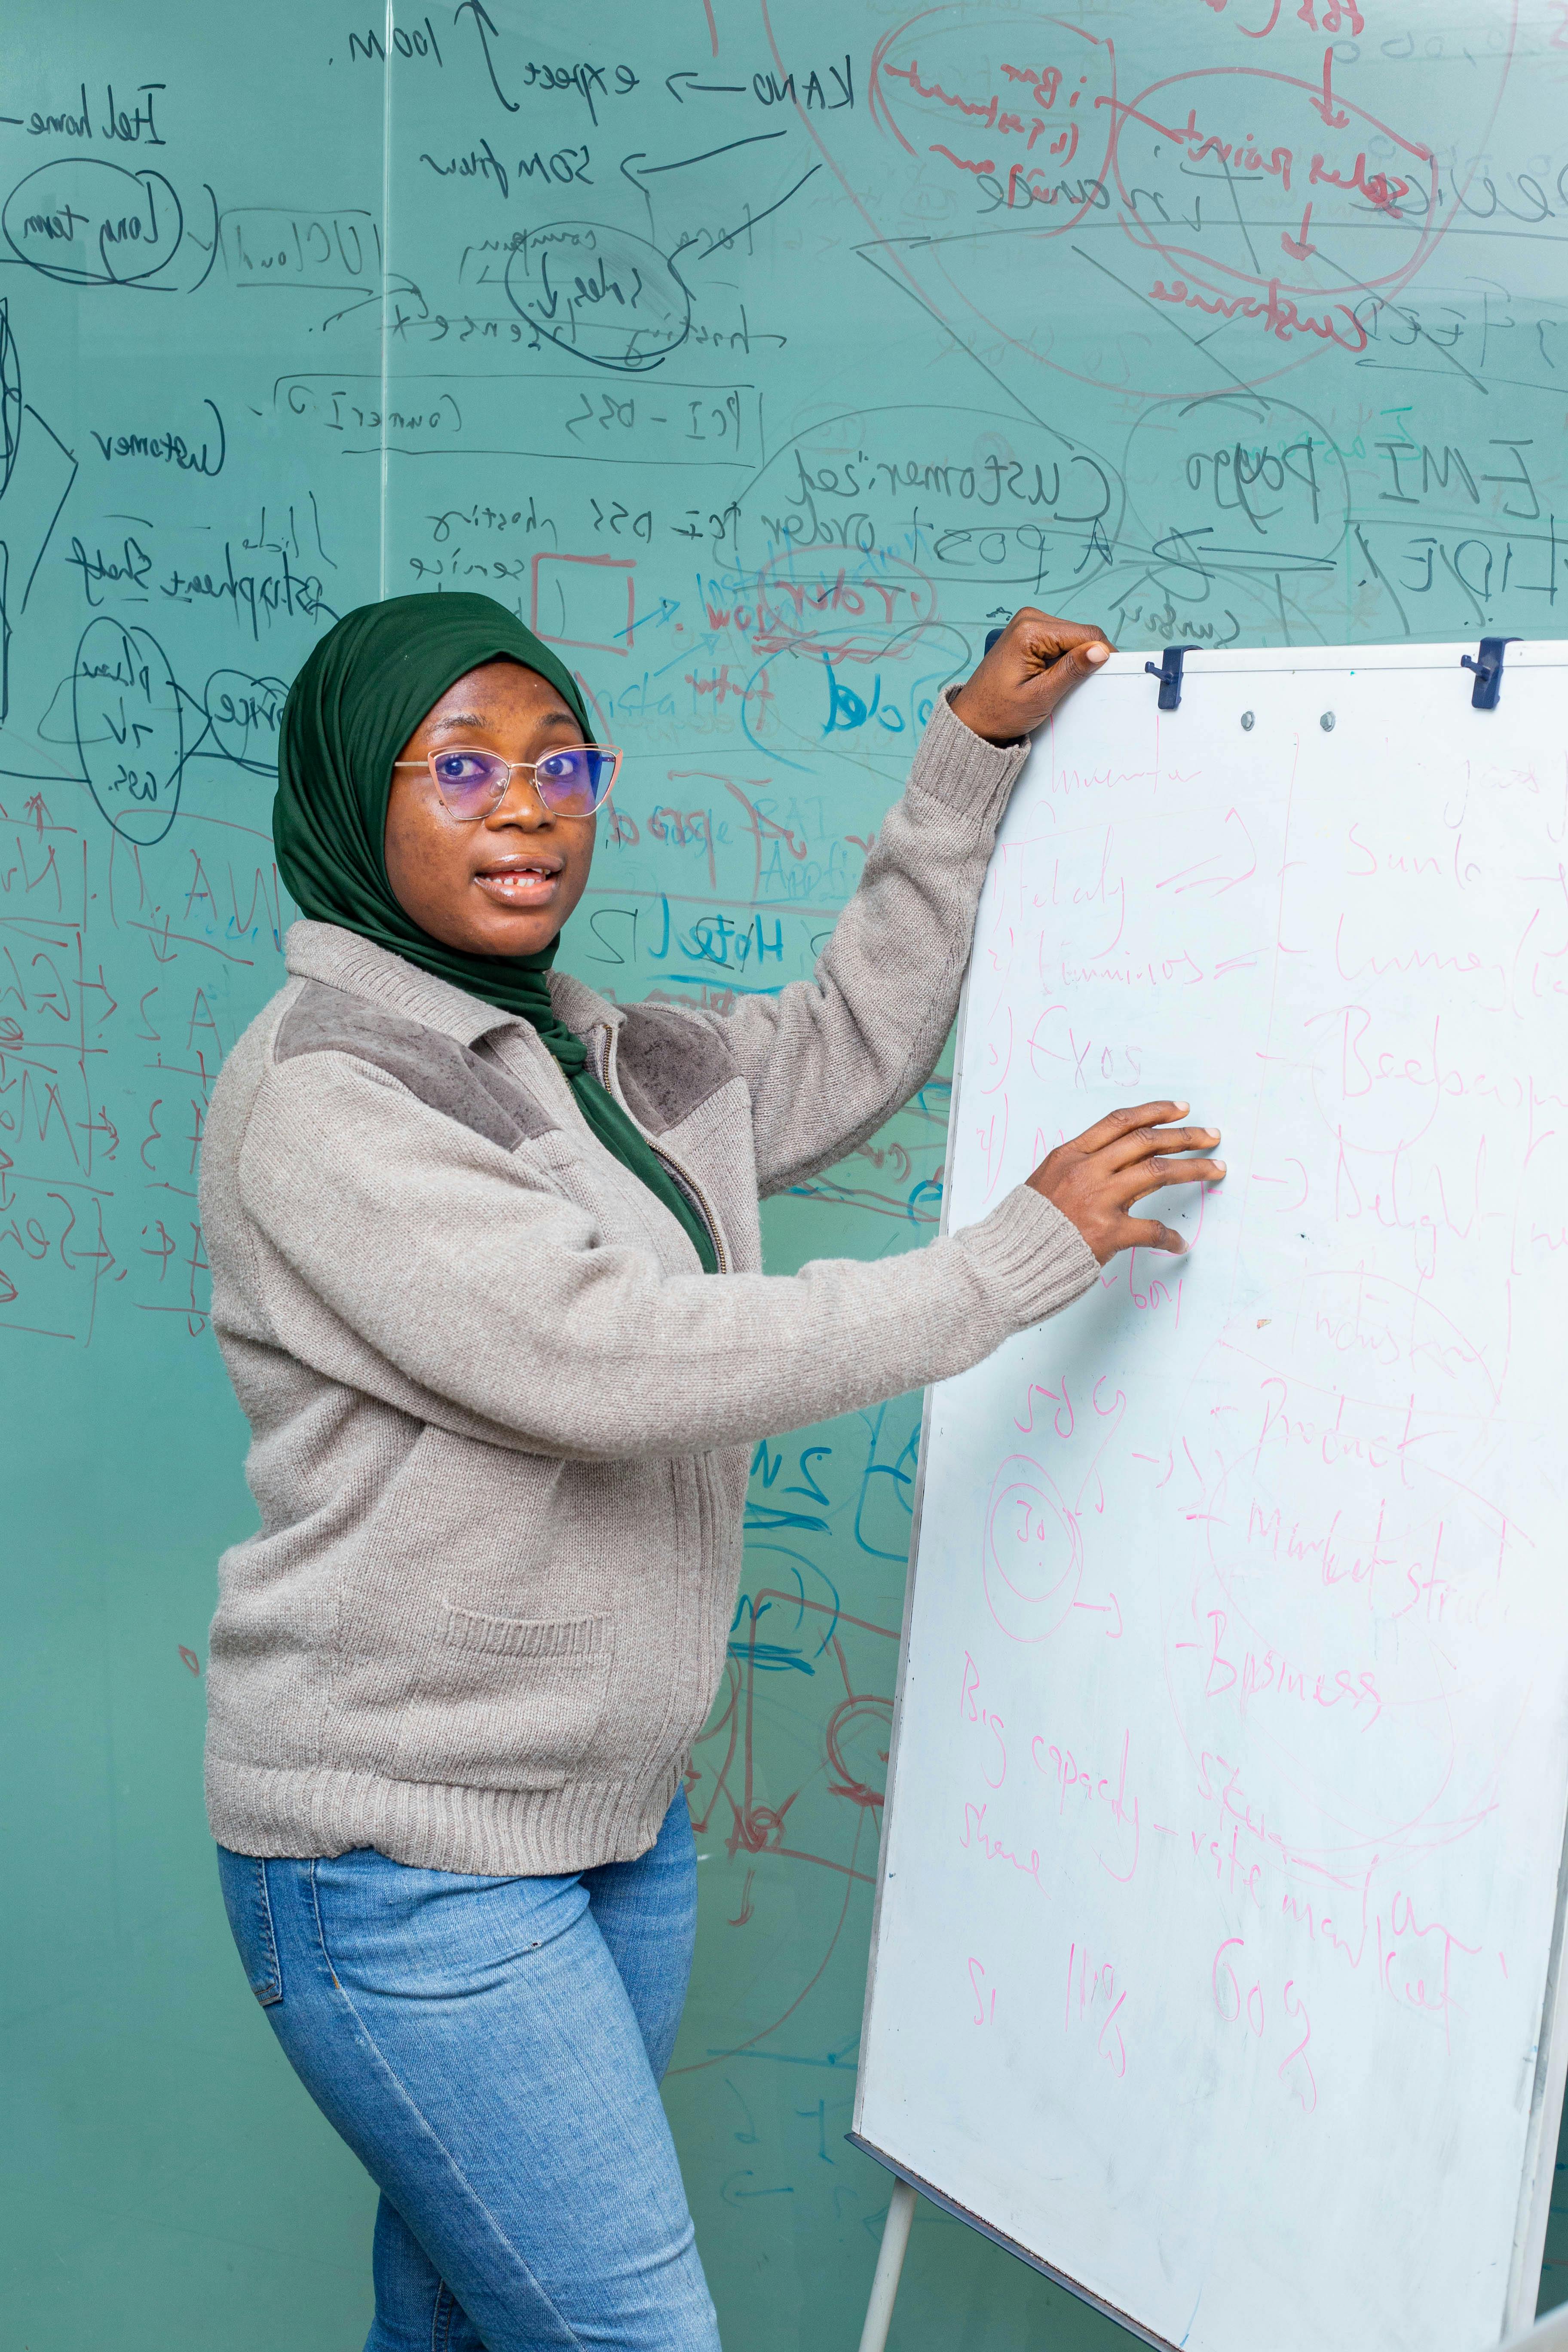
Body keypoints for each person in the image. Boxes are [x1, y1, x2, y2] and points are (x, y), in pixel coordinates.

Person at [202, 591, 1224, 2351]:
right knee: (628, 2331)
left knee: (460, 2319)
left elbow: (837, 1043)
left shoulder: (592, 1053)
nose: (528, 808)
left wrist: (967, 759)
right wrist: (1007, 1262)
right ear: (347, 806)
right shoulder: (329, 1095)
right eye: (460, 769)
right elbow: (599, 1358)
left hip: (605, 1827)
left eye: (559, 762)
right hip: (403, 1862)